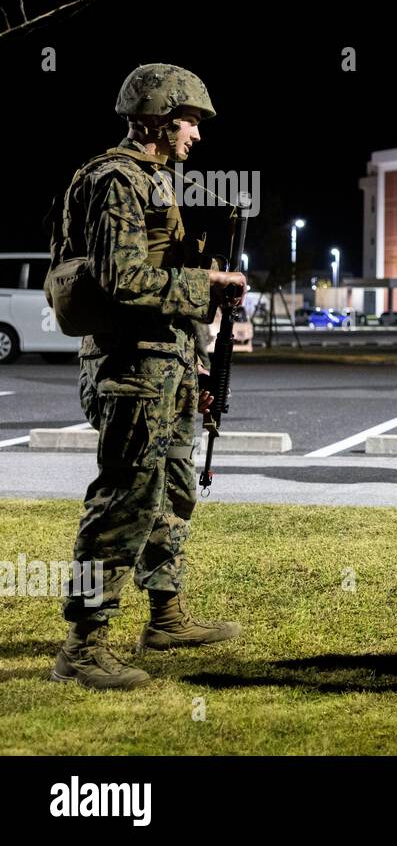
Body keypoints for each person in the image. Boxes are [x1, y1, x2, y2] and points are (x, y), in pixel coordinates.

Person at [50, 63, 247, 690]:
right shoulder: (117, 181)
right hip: (130, 366)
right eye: (189, 121)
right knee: (121, 500)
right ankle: (82, 645)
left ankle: (165, 615)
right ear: (158, 118)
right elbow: (123, 280)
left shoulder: (156, 183)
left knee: (171, 493)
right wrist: (206, 284)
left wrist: (199, 333)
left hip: (166, 362)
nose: (196, 135)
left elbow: (158, 276)